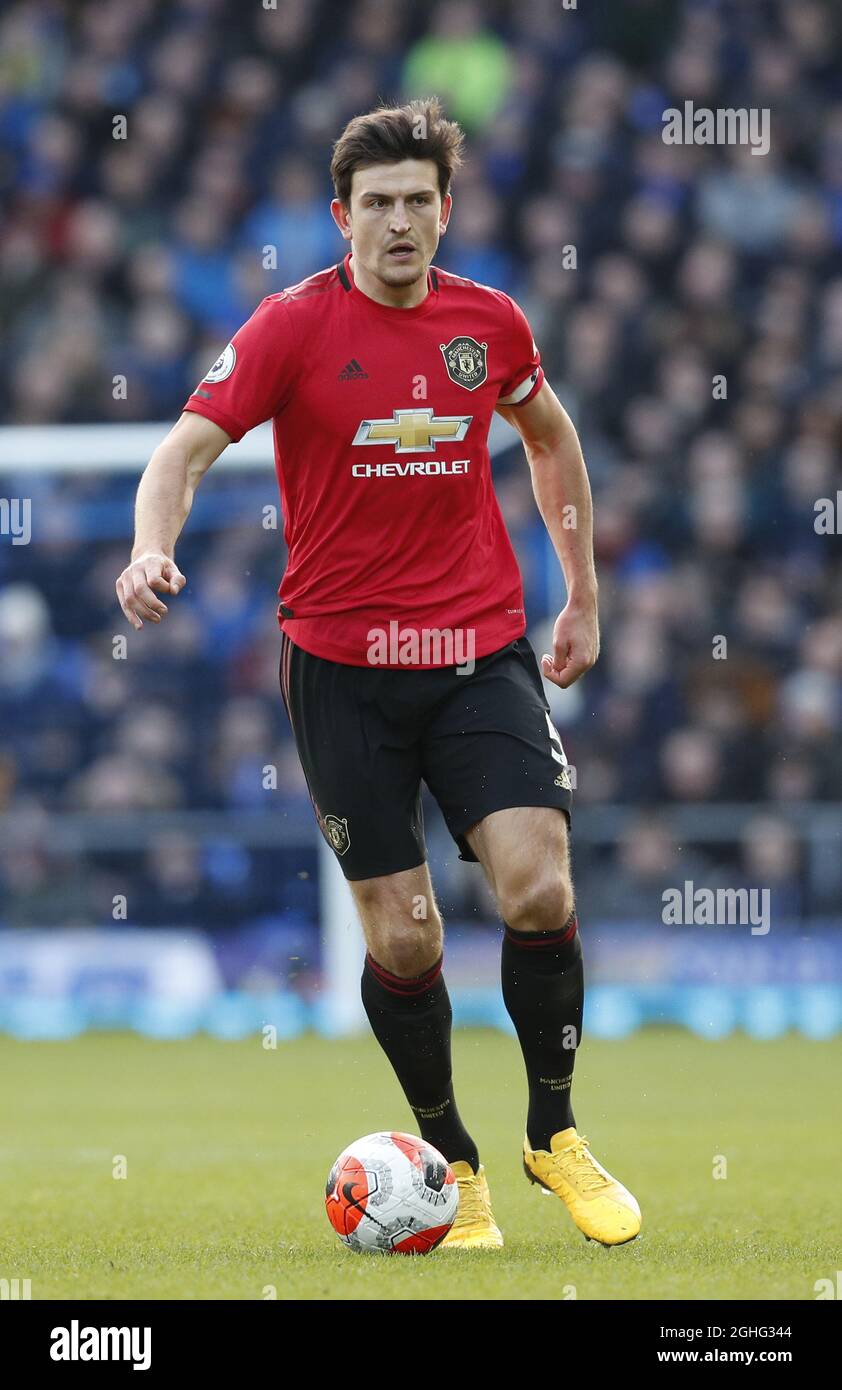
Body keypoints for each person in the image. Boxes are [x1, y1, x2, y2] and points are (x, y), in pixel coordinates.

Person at [116, 97, 641, 1249]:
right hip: (342, 670)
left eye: (418, 202)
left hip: (475, 651)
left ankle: (550, 1133)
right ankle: (451, 1163)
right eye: (378, 205)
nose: (399, 223)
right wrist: (152, 544)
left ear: (444, 212)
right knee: (404, 941)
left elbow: (549, 438)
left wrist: (581, 597)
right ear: (340, 216)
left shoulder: (489, 325)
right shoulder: (288, 329)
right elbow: (181, 451)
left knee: (539, 888)